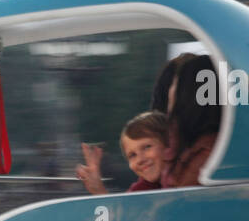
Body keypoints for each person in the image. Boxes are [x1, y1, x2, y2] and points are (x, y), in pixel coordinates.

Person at [160, 55, 220, 188]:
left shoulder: (205, 152)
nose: (170, 92)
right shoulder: (189, 143)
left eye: (176, 83)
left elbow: (179, 200)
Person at [76, 111, 170, 194]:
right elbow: (124, 213)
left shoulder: (182, 185)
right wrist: (98, 189)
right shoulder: (140, 192)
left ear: (169, 144)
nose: (140, 160)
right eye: (132, 155)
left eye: (147, 147)